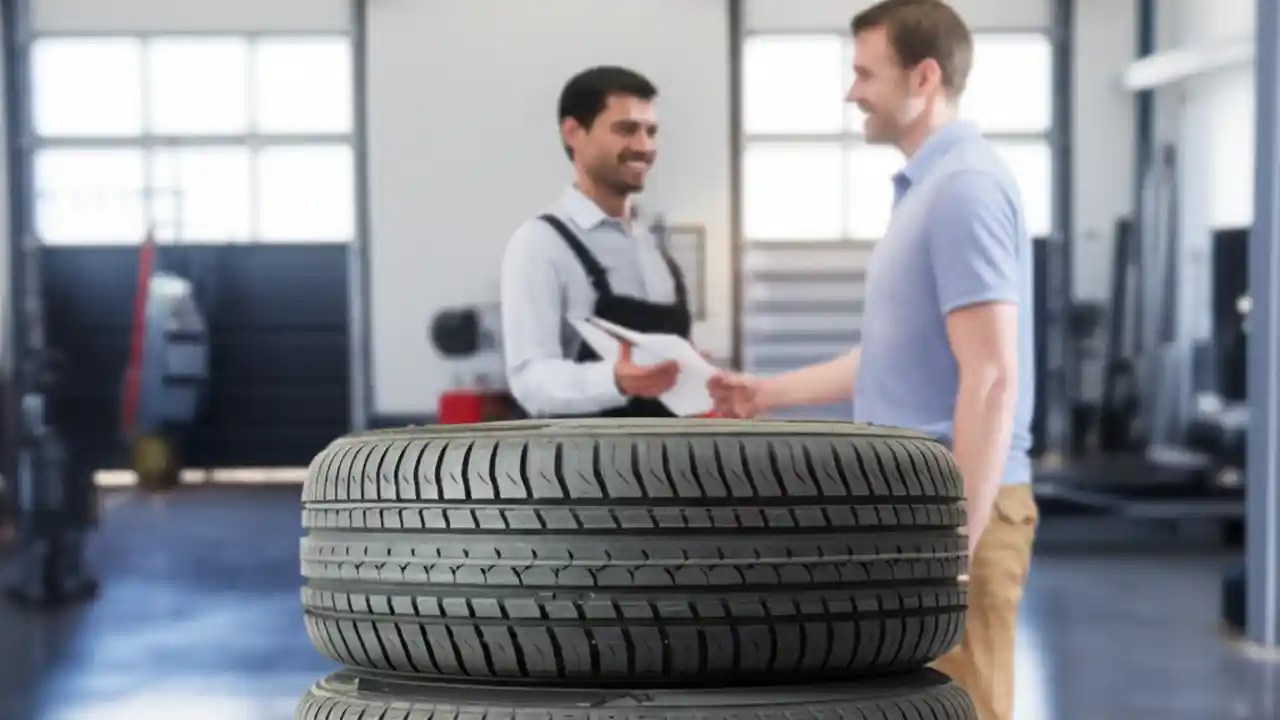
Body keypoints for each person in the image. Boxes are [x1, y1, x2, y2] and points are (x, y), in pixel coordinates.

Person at [708, 2, 1037, 718]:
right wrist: (765, 394)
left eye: (865, 73)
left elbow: (991, 375)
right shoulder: (925, 191)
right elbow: (889, 357)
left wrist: (959, 540)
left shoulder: (965, 190)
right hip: (924, 509)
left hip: (959, 508)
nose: (851, 91)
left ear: (924, 77)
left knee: (962, 707)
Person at [500, 66, 691, 418]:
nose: (644, 146)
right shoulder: (540, 245)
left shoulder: (654, 249)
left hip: (669, 466)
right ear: (574, 132)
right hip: (584, 468)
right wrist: (614, 380)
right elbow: (530, 380)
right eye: (626, 130)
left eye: (651, 131)